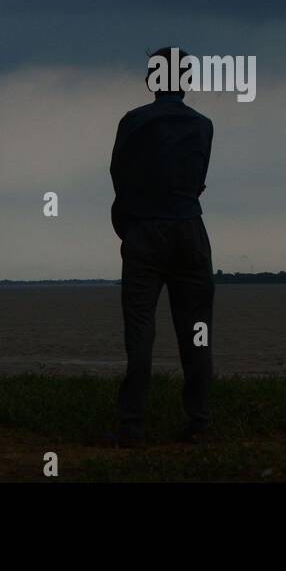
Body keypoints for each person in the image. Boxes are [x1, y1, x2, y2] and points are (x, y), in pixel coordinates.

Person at [109, 47, 215, 446]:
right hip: (190, 228)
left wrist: (130, 224)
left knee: (140, 330)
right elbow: (198, 177)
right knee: (198, 330)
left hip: (146, 230)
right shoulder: (204, 125)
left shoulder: (133, 122)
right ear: (187, 81)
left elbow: (119, 175)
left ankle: (132, 424)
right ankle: (199, 420)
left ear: (153, 80)